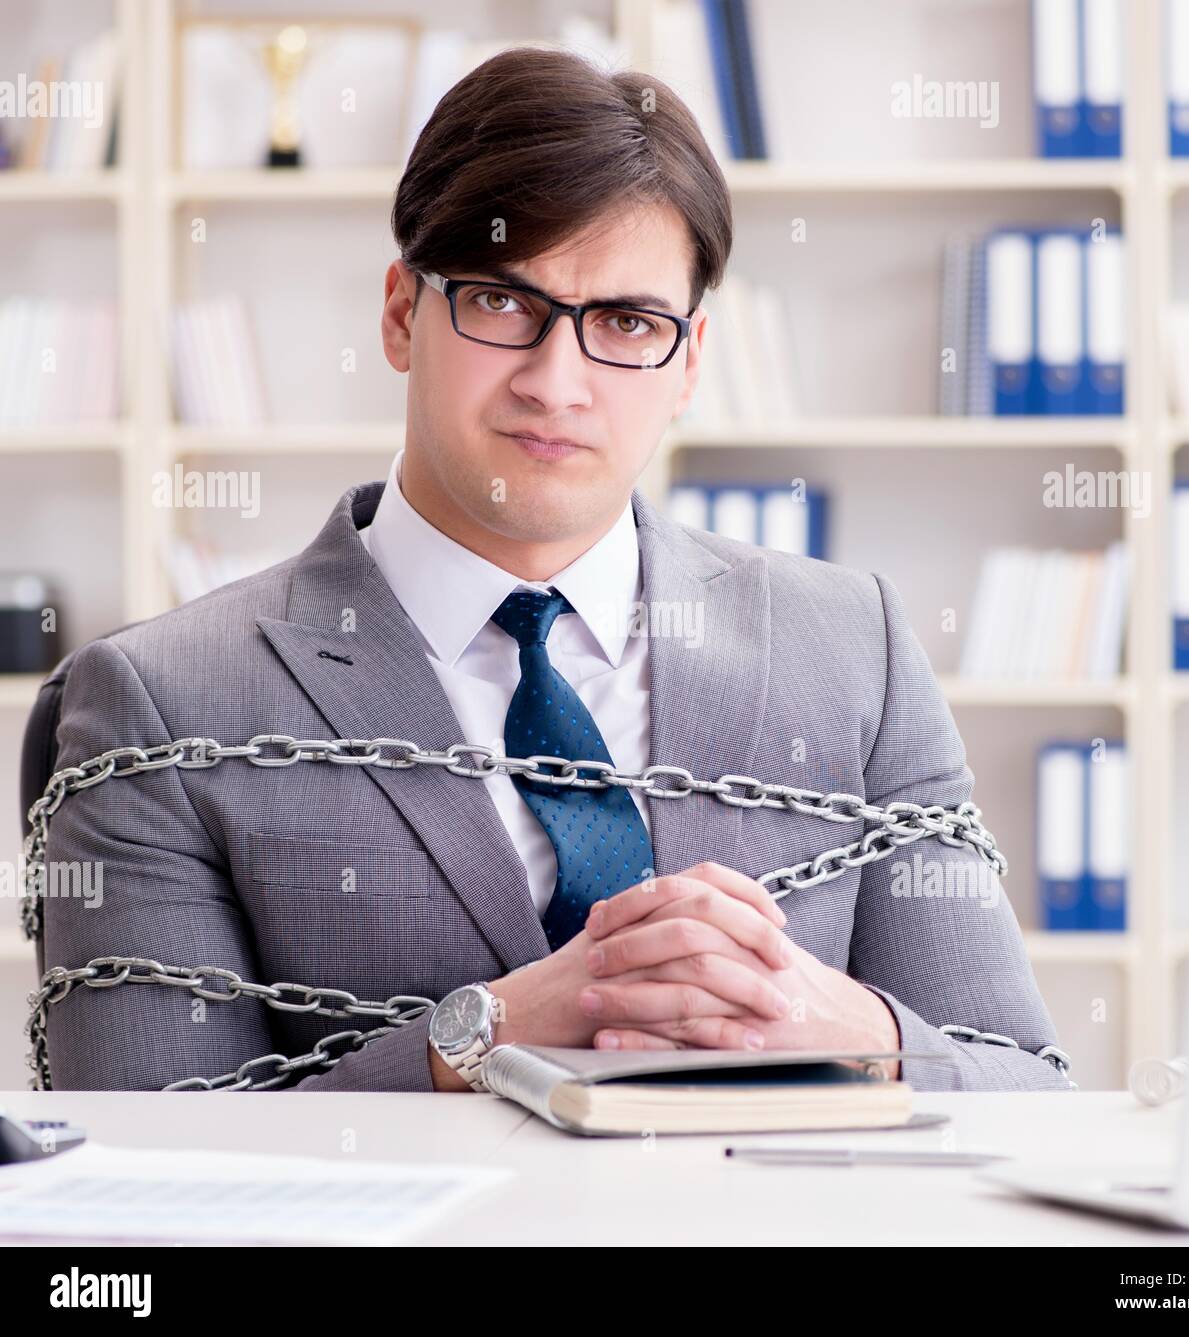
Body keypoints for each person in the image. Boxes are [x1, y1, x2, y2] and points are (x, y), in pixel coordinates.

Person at [38, 46, 1069, 1093]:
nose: (556, 382)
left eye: (626, 322)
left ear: (690, 362)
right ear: (402, 314)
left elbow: (1029, 1089)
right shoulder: (165, 704)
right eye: (500, 303)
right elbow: (150, 1159)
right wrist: (489, 1032)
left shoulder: (855, 649)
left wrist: (839, 1022)